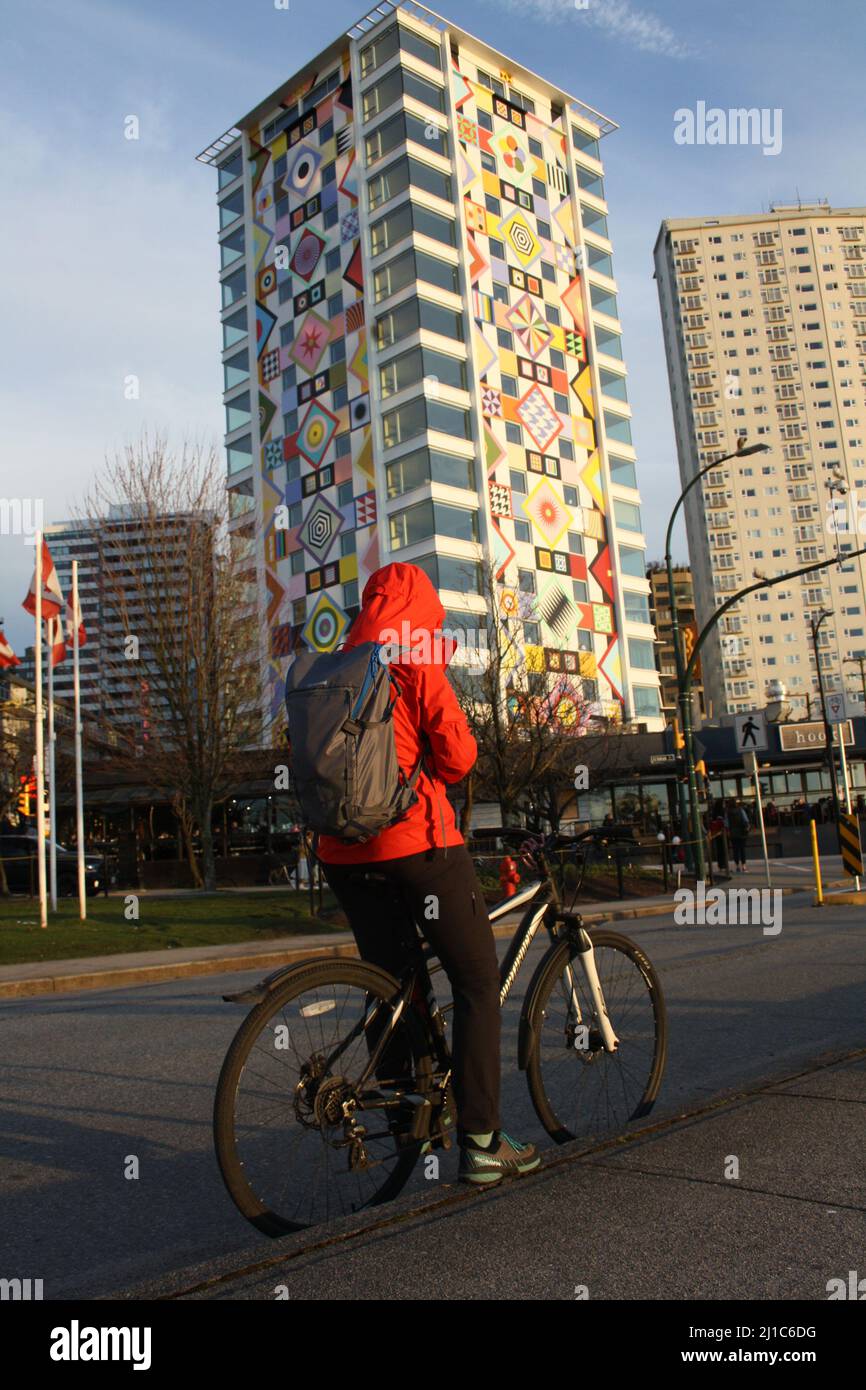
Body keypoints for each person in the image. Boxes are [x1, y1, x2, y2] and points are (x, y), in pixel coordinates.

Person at [314, 562, 540, 1187]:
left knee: (391, 983)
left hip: (343, 854)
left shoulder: (340, 657)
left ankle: (402, 1122)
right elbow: (460, 756)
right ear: (425, 604)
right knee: (475, 981)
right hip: (416, 844)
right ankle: (484, 1142)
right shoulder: (414, 651)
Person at [728, 799, 750, 872]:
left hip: (733, 833)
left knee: (735, 850)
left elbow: (726, 824)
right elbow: (745, 820)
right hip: (741, 832)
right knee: (742, 849)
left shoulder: (728, 812)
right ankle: (744, 866)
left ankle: (737, 866)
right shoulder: (740, 810)